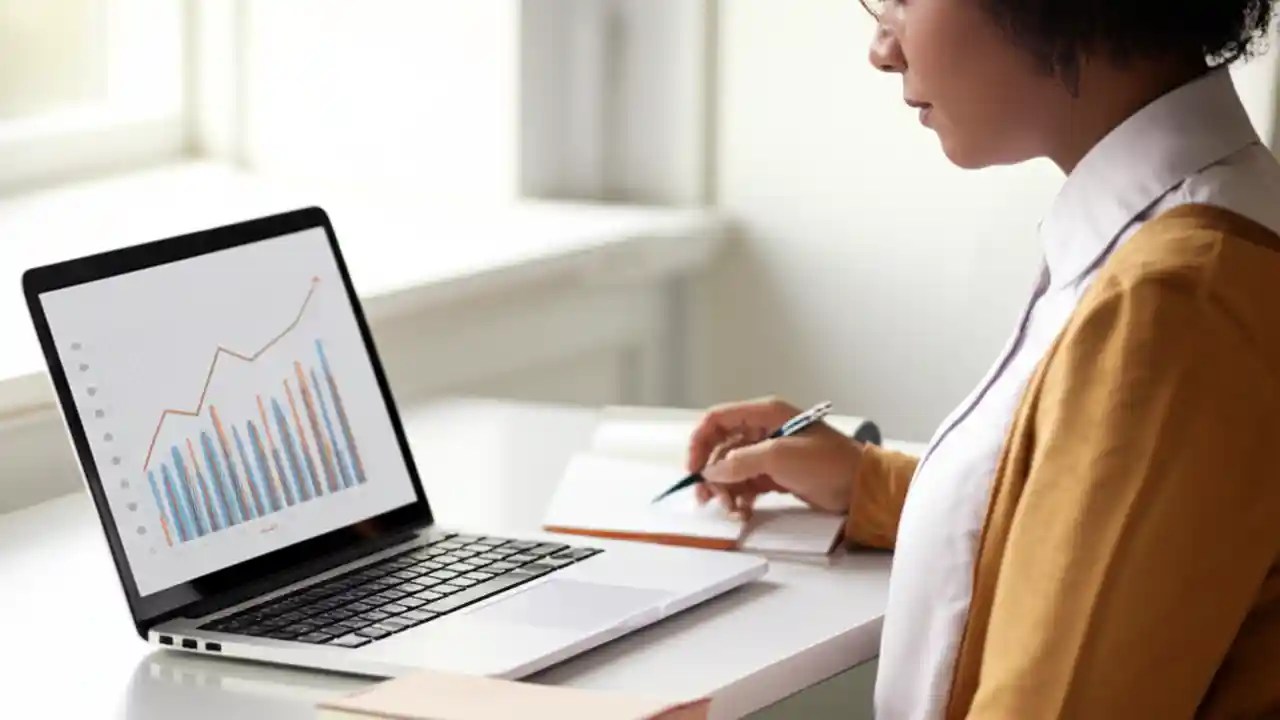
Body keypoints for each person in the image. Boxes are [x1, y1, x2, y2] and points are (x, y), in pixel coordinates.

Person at [688, 0, 1280, 717]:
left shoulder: (1175, 299)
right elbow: (1105, 538)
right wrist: (869, 487)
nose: (882, 48)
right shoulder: (1212, 216)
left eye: (903, 1)